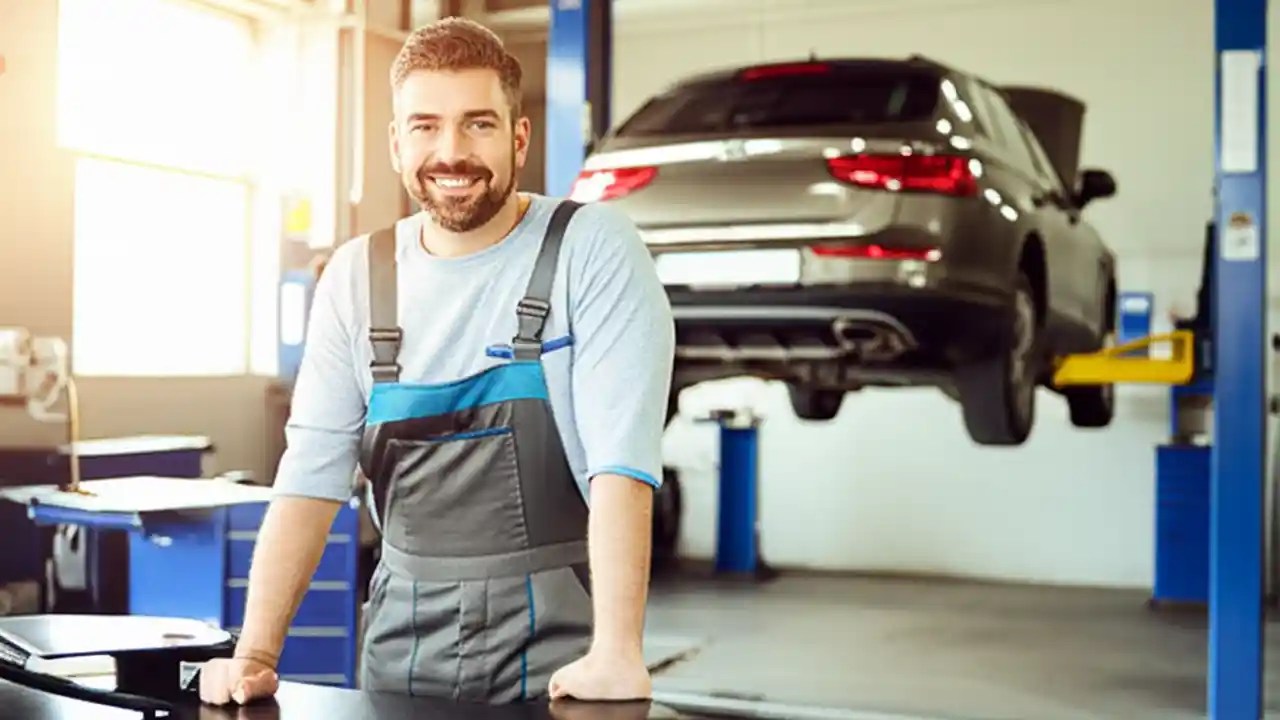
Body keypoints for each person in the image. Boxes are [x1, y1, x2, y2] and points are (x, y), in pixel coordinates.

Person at [199, 16, 674, 706]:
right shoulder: (357, 276)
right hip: (399, 652)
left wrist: (617, 652)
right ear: (396, 142)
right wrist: (254, 654)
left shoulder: (590, 248)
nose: (450, 151)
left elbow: (621, 464)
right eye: (425, 126)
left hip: (560, 663)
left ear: (519, 137)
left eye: (478, 124)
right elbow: (309, 477)